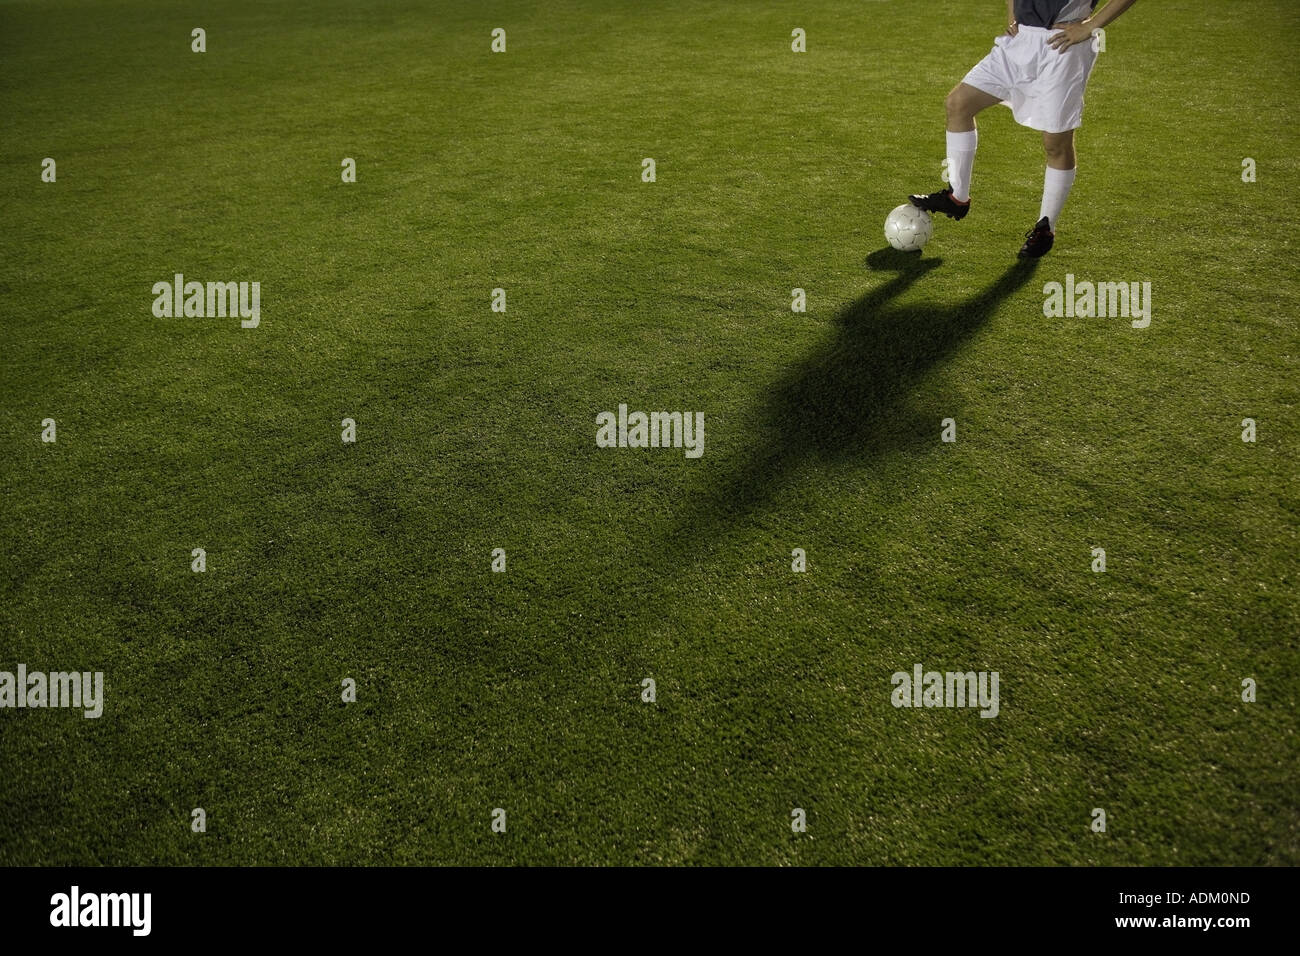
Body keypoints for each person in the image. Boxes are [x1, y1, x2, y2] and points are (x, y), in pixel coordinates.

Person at [908, 0, 1140, 258]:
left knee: (1055, 142)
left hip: (1063, 44)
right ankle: (957, 197)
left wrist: (1092, 26)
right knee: (958, 104)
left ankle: (1046, 228)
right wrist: (1012, 14)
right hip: (1020, 41)